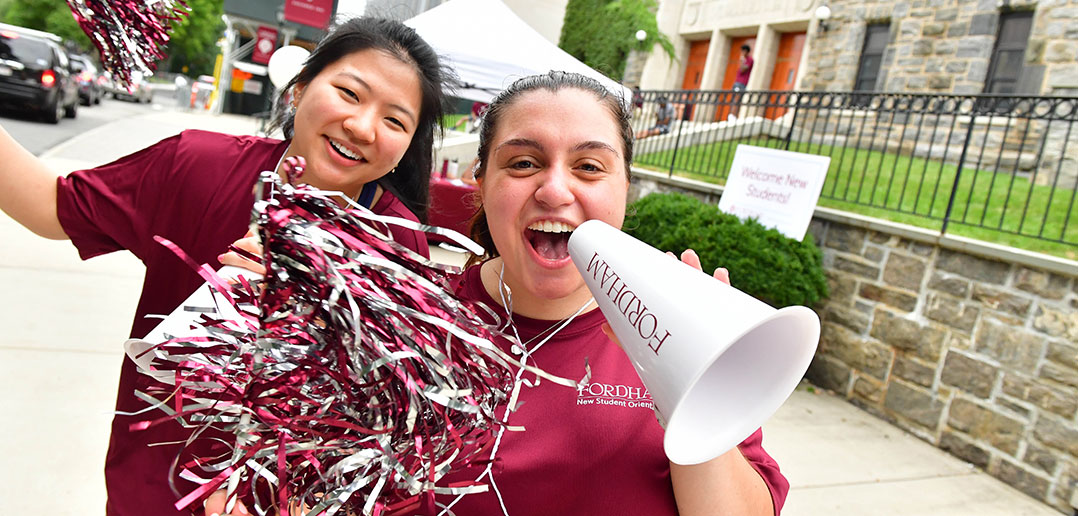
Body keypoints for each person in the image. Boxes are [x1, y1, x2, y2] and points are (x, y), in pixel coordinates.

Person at [207, 71, 787, 516]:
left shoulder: (686, 326)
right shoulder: (400, 318)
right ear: (480, 184)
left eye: (589, 166)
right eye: (524, 162)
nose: (556, 189)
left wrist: (691, 385)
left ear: (624, 189)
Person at [0, 16, 452, 516]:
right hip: (153, 489)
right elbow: (48, 206)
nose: (363, 127)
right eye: (349, 93)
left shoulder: (396, 239)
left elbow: (388, 413)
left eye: (395, 121)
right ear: (298, 90)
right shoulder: (196, 166)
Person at [729, 43, 753, 121]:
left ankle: (733, 116)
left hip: (742, 84)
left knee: (737, 100)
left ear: (746, 51)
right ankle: (732, 116)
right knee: (734, 99)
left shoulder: (749, 60)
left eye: (743, 51)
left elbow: (743, 69)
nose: (742, 53)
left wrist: (742, 61)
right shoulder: (744, 60)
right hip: (737, 82)